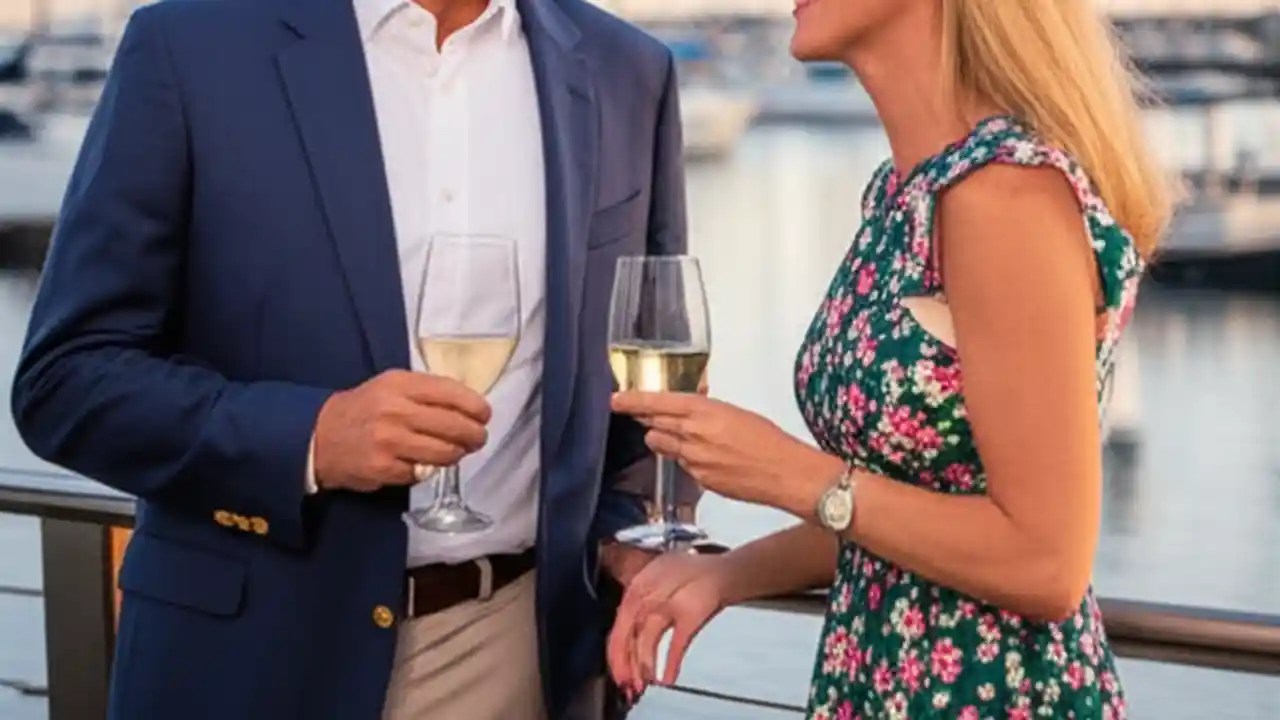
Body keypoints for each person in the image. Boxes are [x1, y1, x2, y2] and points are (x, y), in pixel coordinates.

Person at [10, 0, 688, 717]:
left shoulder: (627, 69)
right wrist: (311, 437)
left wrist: (629, 529)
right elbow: (68, 377)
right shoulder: (190, 44)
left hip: (520, 658)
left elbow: (651, 360)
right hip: (250, 662)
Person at [607, 1, 1175, 718]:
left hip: (992, 697)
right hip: (876, 686)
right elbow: (902, 513)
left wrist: (791, 473)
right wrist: (721, 577)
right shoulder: (906, 194)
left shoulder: (1004, 194)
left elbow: (1047, 562)